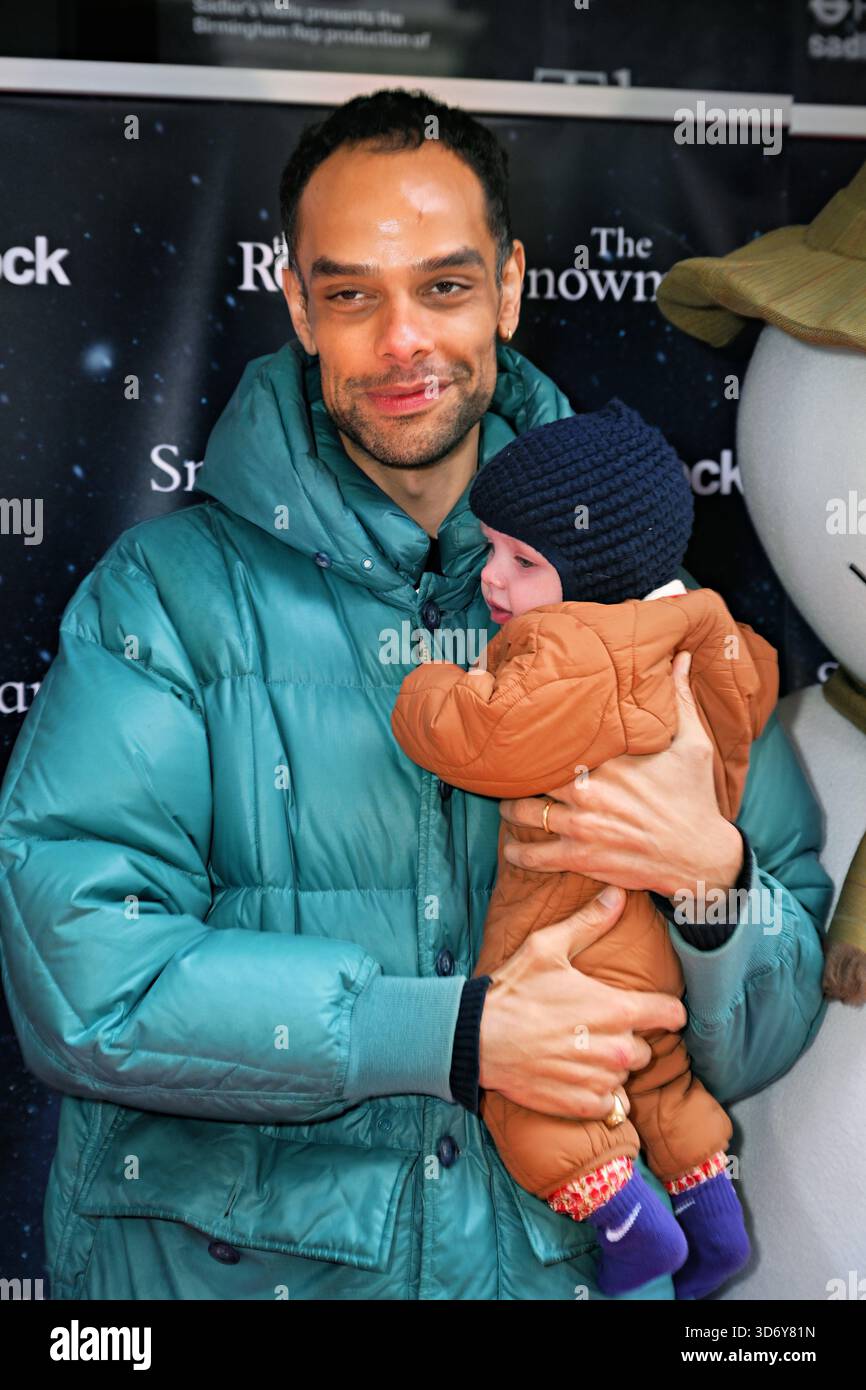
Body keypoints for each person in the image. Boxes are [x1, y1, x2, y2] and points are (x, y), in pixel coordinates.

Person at [0, 87, 831, 1301]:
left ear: (506, 285)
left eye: (443, 286)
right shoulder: (164, 602)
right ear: (295, 304)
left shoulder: (656, 620)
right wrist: (447, 1032)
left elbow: (765, 1030)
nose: (401, 343)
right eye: (350, 293)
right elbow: (80, 978)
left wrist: (710, 888)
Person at [391, 400, 779, 1299]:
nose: (493, 580)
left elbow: (484, 741)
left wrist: (426, 686)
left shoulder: (569, 652)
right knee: (660, 1078)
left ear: (598, 573)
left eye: (524, 562)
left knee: (536, 1106)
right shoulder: (702, 635)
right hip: (644, 937)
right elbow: (740, 704)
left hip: (566, 928)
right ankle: (713, 1220)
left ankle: (633, 1232)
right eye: (491, 549)